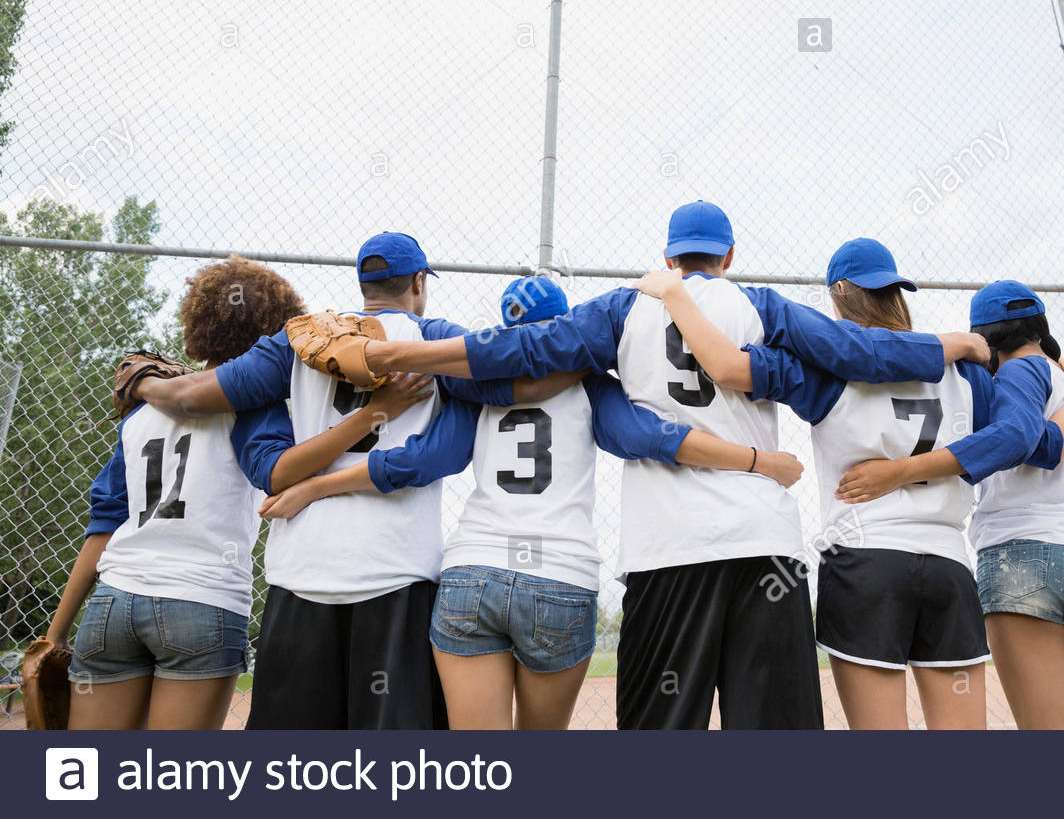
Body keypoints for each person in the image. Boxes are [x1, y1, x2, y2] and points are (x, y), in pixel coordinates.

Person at [284, 202, 991, 729]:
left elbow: (524, 357)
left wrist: (395, 355)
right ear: (730, 254)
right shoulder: (762, 304)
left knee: (659, 738)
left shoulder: (626, 307)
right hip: (764, 546)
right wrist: (951, 344)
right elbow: (859, 355)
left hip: (666, 551)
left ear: (669, 255)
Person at [261, 276, 804, 729]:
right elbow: (651, 437)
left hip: (473, 573)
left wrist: (316, 485)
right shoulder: (593, 384)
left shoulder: (474, 388)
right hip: (559, 575)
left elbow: (420, 462)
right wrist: (757, 459)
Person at [631, 239, 1064, 729]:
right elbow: (1026, 440)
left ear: (839, 295)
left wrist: (678, 302)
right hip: (948, 566)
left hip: (866, 561)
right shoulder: (965, 372)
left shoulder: (825, 370)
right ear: (899, 293)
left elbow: (728, 369)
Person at [127, 232, 570, 728]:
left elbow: (193, 399)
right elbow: (464, 434)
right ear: (419, 283)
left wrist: (144, 381)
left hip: (300, 571)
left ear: (363, 285)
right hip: (395, 571)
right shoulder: (440, 340)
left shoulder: (297, 339)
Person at [44, 257, 430, 729]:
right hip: (200, 601)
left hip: (115, 601)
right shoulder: (254, 406)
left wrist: (57, 632)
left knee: (91, 778)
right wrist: (373, 415)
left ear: (198, 321)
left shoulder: (141, 413)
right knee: (176, 787)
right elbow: (279, 472)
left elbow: (103, 524)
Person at [834, 280, 1064, 730]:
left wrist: (900, 471)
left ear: (985, 338)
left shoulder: (1019, 373)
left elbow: (1030, 442)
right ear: (1040, 327)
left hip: (1025, 553)